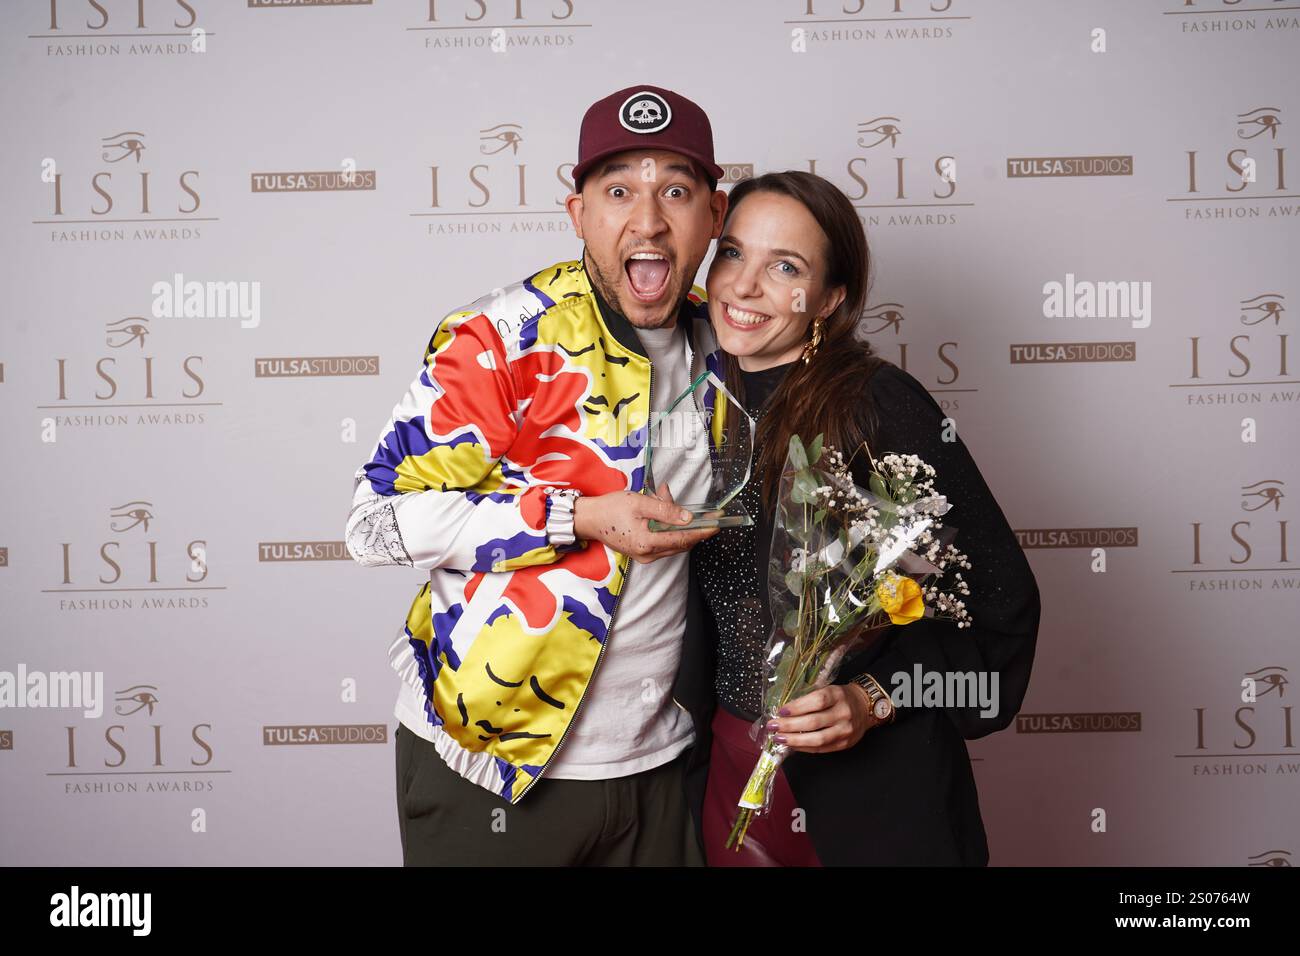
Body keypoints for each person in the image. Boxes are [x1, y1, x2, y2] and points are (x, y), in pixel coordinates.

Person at [344, 85, 731, 865]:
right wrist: (577, 518)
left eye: (677, 192)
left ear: (714, 218)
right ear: (577, 212)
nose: (647, 219)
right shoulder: (502, 337)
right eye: (618, 190)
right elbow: (371, 525)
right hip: (493, 770)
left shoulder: (731, 345)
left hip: (664, 768)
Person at [684, 170, 1042, 866]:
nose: (744, 285)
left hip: (869, 801)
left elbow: (1000, 611)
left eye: (784, 266)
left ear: (830, 298)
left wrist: (873, 698)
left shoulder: (878, 405)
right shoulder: (694, 398)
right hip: (729, 777)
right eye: (732, 252)